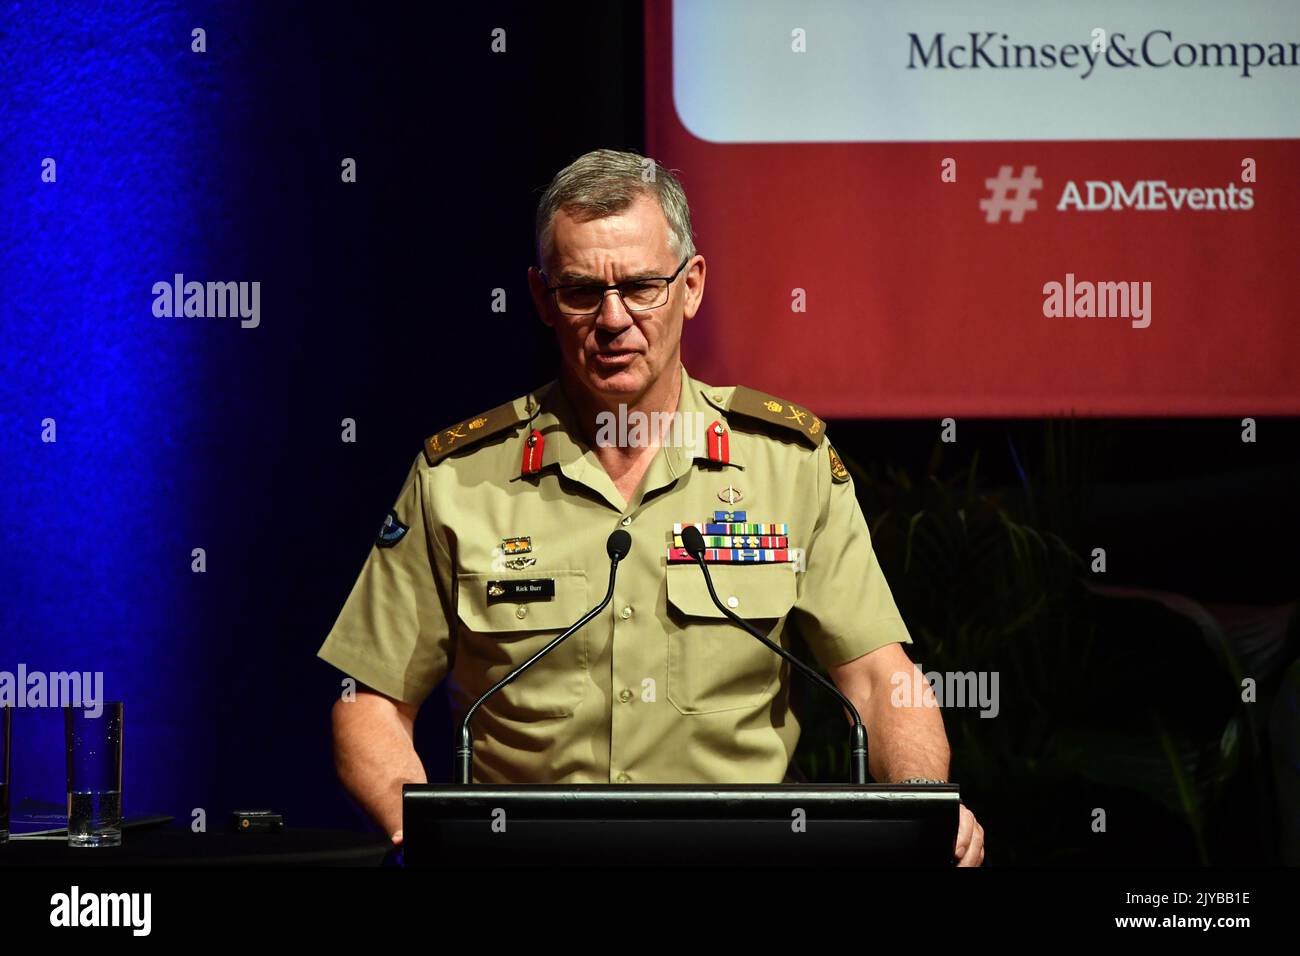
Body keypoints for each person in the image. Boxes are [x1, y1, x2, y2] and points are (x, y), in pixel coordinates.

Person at [318, 149, 985, 866]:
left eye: (641, 287)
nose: (613, 319)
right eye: (580, 292)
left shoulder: (785, 465)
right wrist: (421, 839)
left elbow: (880, 678)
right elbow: (369, 701)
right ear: (542, 299)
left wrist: (919, 808)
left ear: (692, 286)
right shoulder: (458, 479)